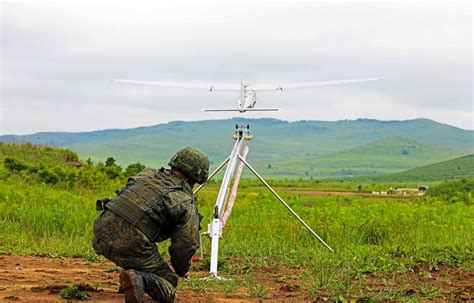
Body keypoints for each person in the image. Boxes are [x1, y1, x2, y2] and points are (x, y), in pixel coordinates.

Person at [92, 147, 209, 303]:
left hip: (100, 233)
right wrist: (181, 270)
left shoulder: (146, 175)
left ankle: (132, 279)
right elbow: (185, 245)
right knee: (169, 285)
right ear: (196, 178)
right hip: (131, 244)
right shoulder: (184, 201)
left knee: (136, 249)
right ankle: (139, 279)